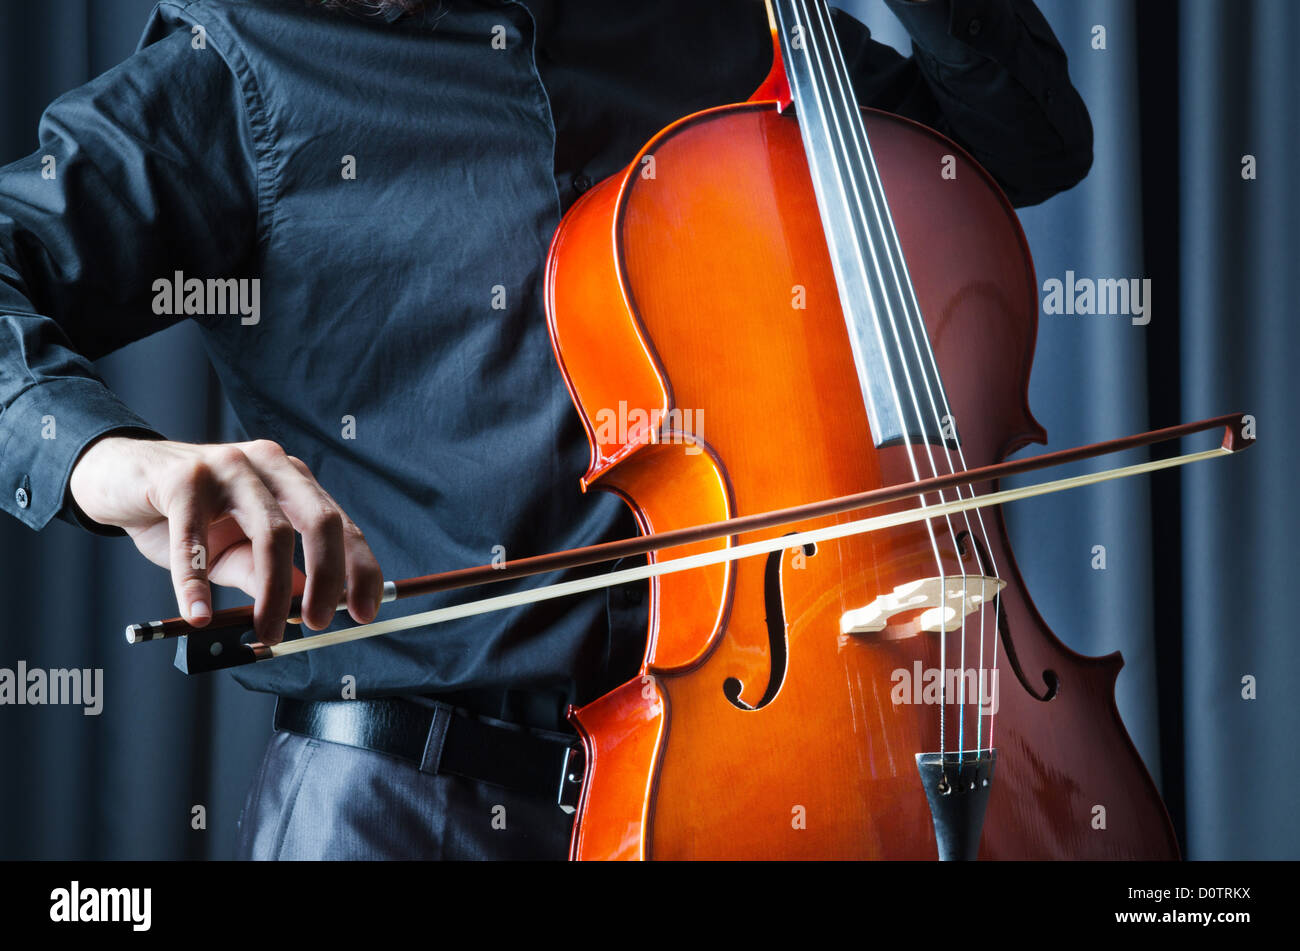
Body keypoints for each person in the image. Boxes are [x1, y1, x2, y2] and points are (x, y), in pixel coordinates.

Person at [0, 0, 1091, 859]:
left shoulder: (734, 29)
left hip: (767, 778)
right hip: (405, 811)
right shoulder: (243, 58)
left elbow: (1024, 147)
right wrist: (104, 458)